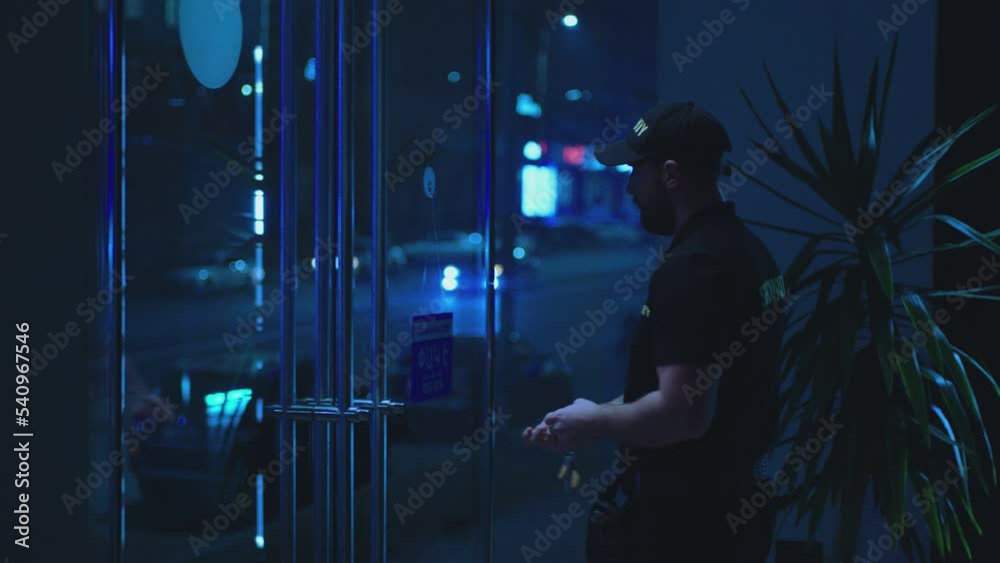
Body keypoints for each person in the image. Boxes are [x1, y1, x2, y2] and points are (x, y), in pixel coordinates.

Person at [522, 101, 790, 562]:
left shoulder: (692, 269)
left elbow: (684, 415)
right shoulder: (751, 253)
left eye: (635, 171)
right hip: (734, 515)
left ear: (669, 175)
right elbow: (693, 388)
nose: (628, 188)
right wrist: (592, 413)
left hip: (685, 529)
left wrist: (600, 421)